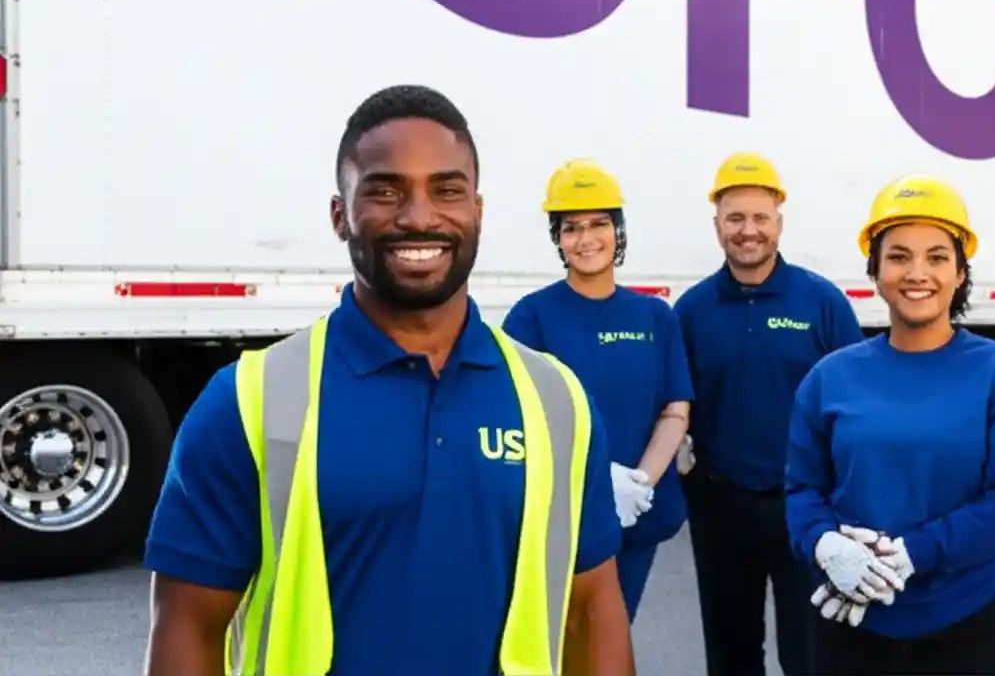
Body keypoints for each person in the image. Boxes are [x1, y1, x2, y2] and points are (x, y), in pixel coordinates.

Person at [141, 85, 634, 676]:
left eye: (447, 189)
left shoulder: (556, 401)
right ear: (339, 215)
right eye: (385, 191)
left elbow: (591, 611)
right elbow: (189, 627)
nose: (419, 216)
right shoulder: (249, 402)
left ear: (478, 210)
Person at [785, 174, 995, 675]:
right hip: (853, 622)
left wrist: (913, 554)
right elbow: (802, 489)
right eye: (898, 256)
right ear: (875, 271)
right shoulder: (830, 378)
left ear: (960, 273)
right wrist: (825, 547)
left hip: (970, 623)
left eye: (937, 257)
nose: (918, 273)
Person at [673, 152, 865, 676]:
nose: (748, 231)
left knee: (809, 653)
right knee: (731, 651)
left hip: (805, 507)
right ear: (717, 227)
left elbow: (860, 404)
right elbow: (673, 404)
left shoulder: (820, 301)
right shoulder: (692, 311)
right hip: (720, 505)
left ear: (779, 222)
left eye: (760, 218)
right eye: (735, 218)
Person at [502, 158, 695, 622]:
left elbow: (674, 410)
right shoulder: (532, 317)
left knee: (613, 637)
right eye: (571, 227)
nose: (586, 239)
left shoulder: (654, 317)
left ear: (619, 231)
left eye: (599, 224)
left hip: (637, 512)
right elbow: (514, 417)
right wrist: (591, 478)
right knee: (557, 644)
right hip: (560, 518)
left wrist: (640, 483)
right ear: (558, 239)